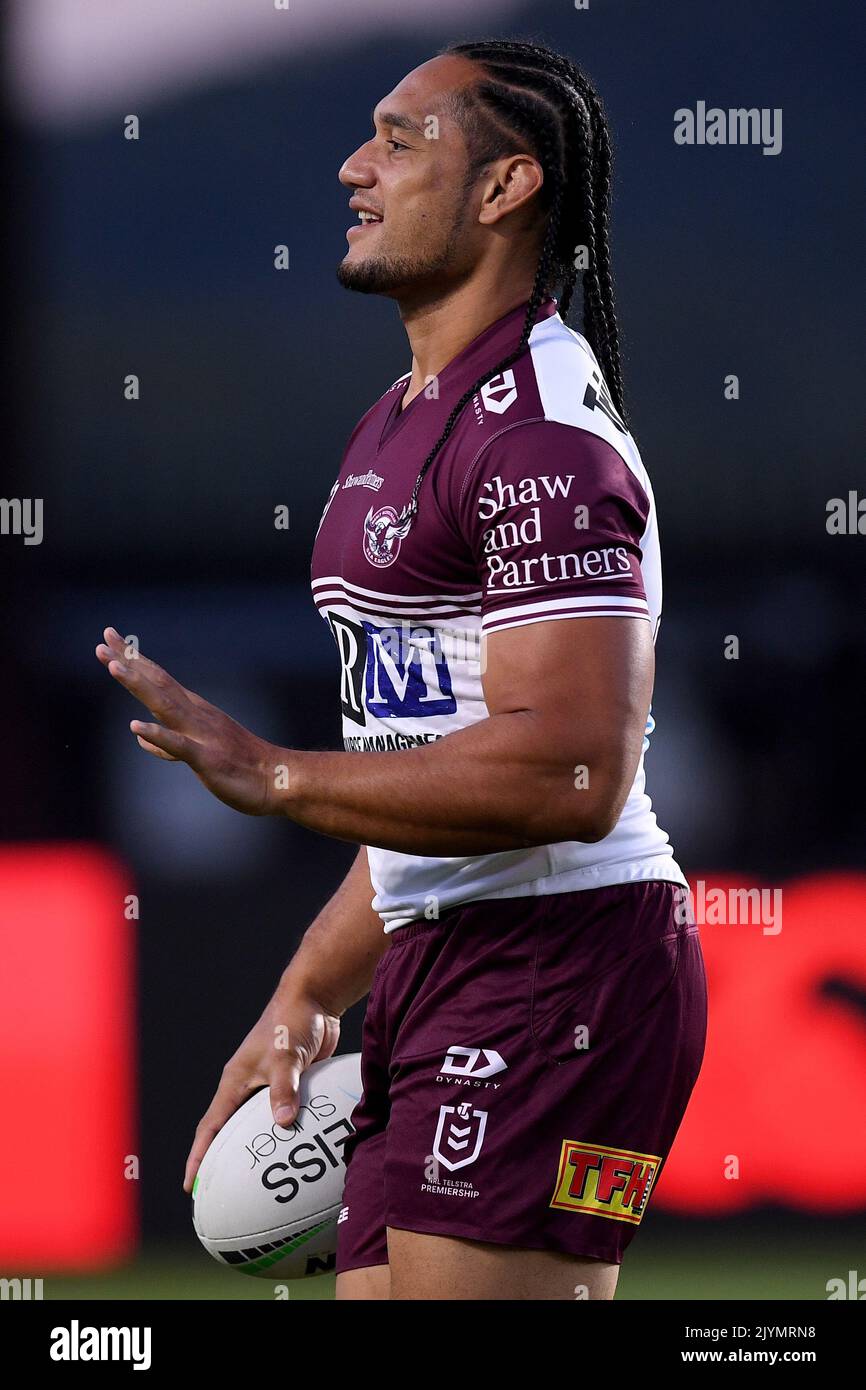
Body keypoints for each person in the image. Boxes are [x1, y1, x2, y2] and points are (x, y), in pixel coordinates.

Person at [96, 37, 707, 1301]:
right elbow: (424, 774)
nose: (352, 166)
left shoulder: (540, 431)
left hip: (564, 966)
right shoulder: (400, 413)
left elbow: (572, 772)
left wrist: (271, 774)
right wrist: (308, 987)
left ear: (504, 189)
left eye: (399, 138)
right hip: (452, 955)